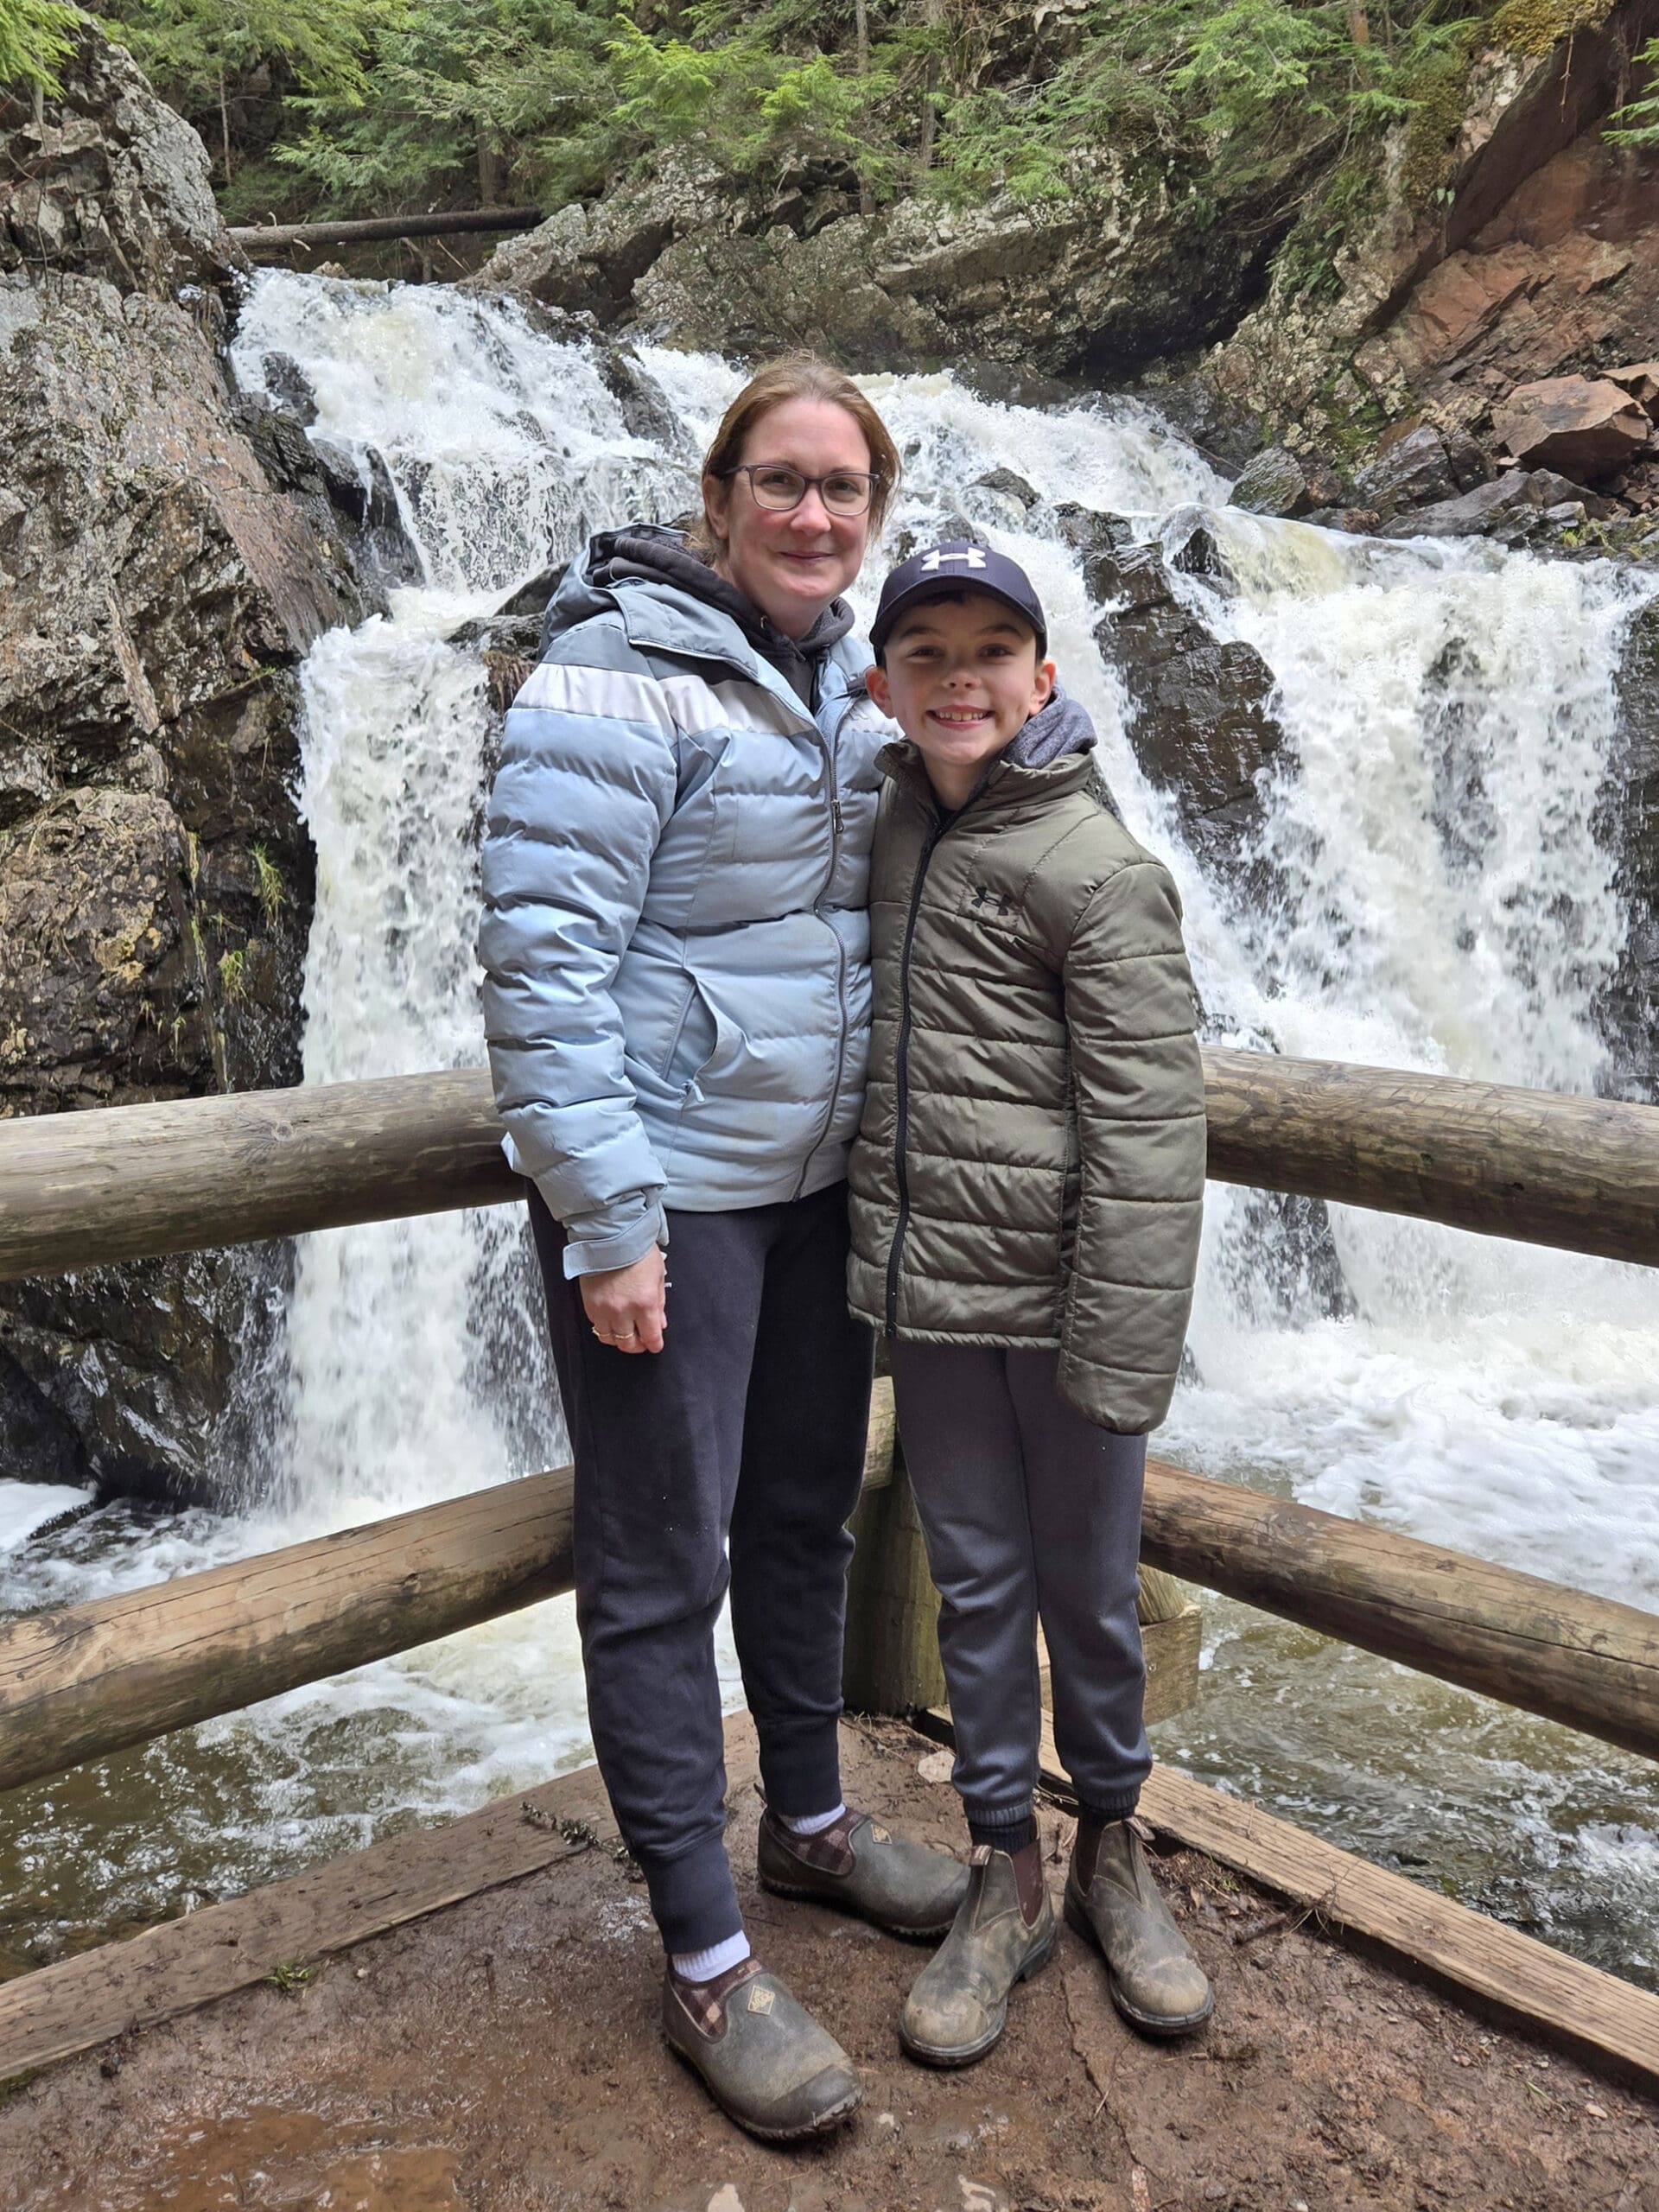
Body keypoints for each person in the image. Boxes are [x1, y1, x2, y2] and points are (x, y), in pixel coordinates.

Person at [478, 361, 968, 2142]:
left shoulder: (858, 671)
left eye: (845, 488)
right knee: (660, 1559)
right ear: (718, 494)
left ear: (874, 510)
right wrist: (608, 1218)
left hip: (817, 1183)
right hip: (670, 1193)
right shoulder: (611, 671)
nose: (814, 514)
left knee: (804, 1515)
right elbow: (542, 965)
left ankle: (812, 1823)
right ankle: (701, 1955)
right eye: (783, 480)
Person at [847, 541, 1213, 2067]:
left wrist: (1120, 1351)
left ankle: (1116, 1845)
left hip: (1067, 1314)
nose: (960, 679)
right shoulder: (883, 823)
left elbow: (1151, 1135)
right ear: (881, 685)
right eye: (925, 653)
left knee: (1091, 1594)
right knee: (979, 1591)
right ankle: (1003, 1871)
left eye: (992, 651)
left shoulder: (1097, 866)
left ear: (1043, 679)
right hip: (935, 1304)